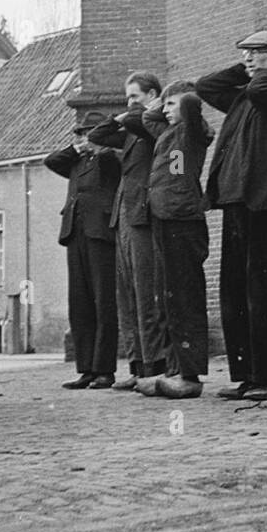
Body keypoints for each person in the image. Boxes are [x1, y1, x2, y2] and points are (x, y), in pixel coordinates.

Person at [197, 31, 267, 402]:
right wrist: (247, 64)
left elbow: (263, 91)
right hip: (237, 201)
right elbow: (206, 85)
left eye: (257, 52)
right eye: (245, 53)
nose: (248, 58)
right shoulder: (242, 97)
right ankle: (248, 374)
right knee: (235, 290)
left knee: (263, 291)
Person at [88, 73, 168, 391]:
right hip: (123, 216)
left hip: (142, 216)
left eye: (135, 96)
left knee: (146, 292)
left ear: (153, 96)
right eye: (127, 98)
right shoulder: (131, 130)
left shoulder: (154, 124)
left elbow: (142, 123)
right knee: (127, 297)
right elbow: (97, 134)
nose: (130, 104)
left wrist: (137, 113)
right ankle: (136, 365)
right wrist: (119, 115)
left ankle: (153, 364)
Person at [136, 82, 213, 399]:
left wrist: (179, 96)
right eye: (163, 105)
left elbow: (194, 101)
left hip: (183, 219)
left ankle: (190, 376)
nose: (165, 110)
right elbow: (145, 120)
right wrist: (162, 103)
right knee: (166, 297)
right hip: (164, 217)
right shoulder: (167, 132)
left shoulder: (194, 131)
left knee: (184, 299)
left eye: (171, 104)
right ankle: (173, 369)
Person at [45, 114, 121, 389]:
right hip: (75, 234)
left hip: (100, 233)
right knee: (80, 304)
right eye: (78, 135)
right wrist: (78, 148)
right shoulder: (75, 162)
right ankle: (86, 368)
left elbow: (113, 163)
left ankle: (104, 369)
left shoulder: (109, 159)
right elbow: (51, 160)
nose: (81, 139)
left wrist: (101, 144)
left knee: (103, 303)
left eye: (86, 134)